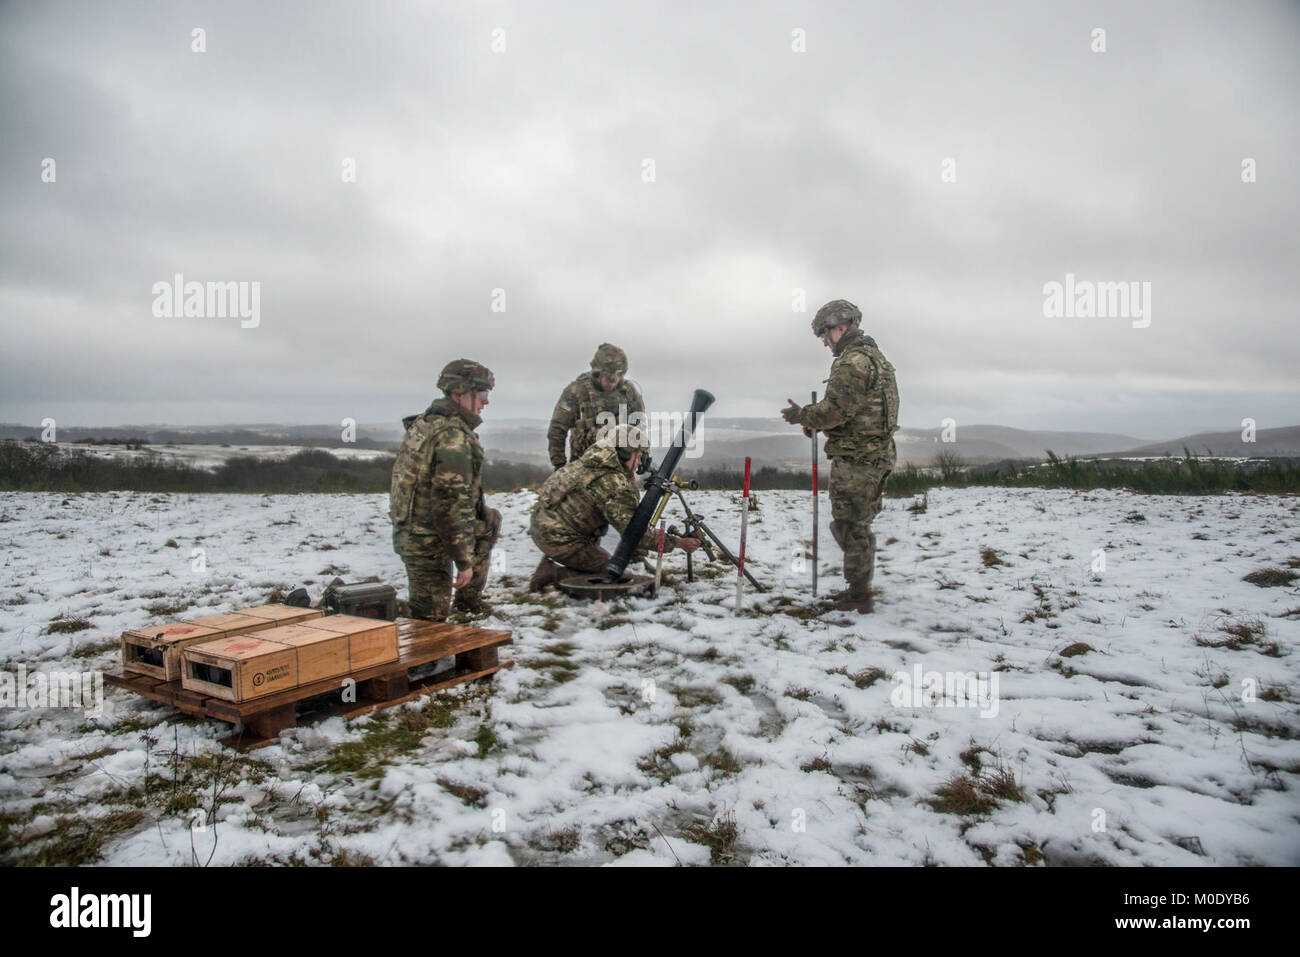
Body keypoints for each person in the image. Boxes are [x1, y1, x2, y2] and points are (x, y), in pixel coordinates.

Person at [780, 300, 899, 613]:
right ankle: (858, 588)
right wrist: (817, 424)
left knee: (850, 525)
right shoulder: (875, 357)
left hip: (859, 459)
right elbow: (854, 412)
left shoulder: (851, 362)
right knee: (858, 524)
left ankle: (859, 595)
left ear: (840, 327)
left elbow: (835, 411)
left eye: (825, 333)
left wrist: (802, 415)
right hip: (875, 455)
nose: (824, 340)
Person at [390, 359, 502, 620]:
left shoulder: (427, 422)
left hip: (418, 530)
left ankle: (467, 600)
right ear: (460, 392)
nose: (485, 401)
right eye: (482, 393)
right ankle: (347, 605)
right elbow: (449, 505)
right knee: (427, 619)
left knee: (490, 520)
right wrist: (463, 562)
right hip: (426, 540)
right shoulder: (452, 437)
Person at [528, 425, 699, 590]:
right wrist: (678, 542)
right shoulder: (613, 483)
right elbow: (635, 533)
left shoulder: (592, 461)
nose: (641, 463)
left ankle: (558, 557)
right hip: (559, 538)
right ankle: (553, 573)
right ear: (624, 454)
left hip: (542, 525)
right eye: (639, 456)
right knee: (613, 574)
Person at [547, 343, 646, 469]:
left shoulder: (629, 392)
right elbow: (557, 430)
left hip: (619, 468)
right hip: (584, 468)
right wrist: (559, 464)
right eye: (608, 379)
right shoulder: (576, 392)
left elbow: (639, 428)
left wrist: (642, 455)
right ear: (597, 372)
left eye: (616, 379)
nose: (612, 384)